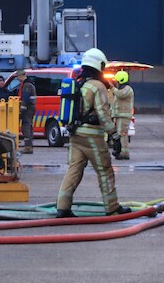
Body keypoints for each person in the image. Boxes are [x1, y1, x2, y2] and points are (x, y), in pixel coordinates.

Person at [55, 48, 130, 218]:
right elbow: (103, 114)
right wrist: (114, 135)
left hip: (75, 135)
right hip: (92, 136)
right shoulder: (97, 86)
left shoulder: (79, 83)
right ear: (99, 65)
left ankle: (63, 207)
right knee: (105, 171)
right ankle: (112, 207)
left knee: (74, 170)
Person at [108, 70, 135, 160]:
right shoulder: (119, 90)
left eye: (117, 80)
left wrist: (112, 87)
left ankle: (125, 153)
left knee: (123, 134)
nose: (115, 82)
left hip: (124, 116)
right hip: (118, 116)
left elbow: (120, 95)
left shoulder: (127, 89)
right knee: (117, 135)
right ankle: (118, 151)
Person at [15, 70, 36, 154]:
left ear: (21, 76)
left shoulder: (26, 85)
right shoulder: (29, 84)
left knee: (26, 127)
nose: (17, 78)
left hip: (28, 109)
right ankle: (29, 146)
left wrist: (21, 111)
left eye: (18, 77)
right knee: (29, 126)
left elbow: (25, 99)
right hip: (31, 108)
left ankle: (28, 147)